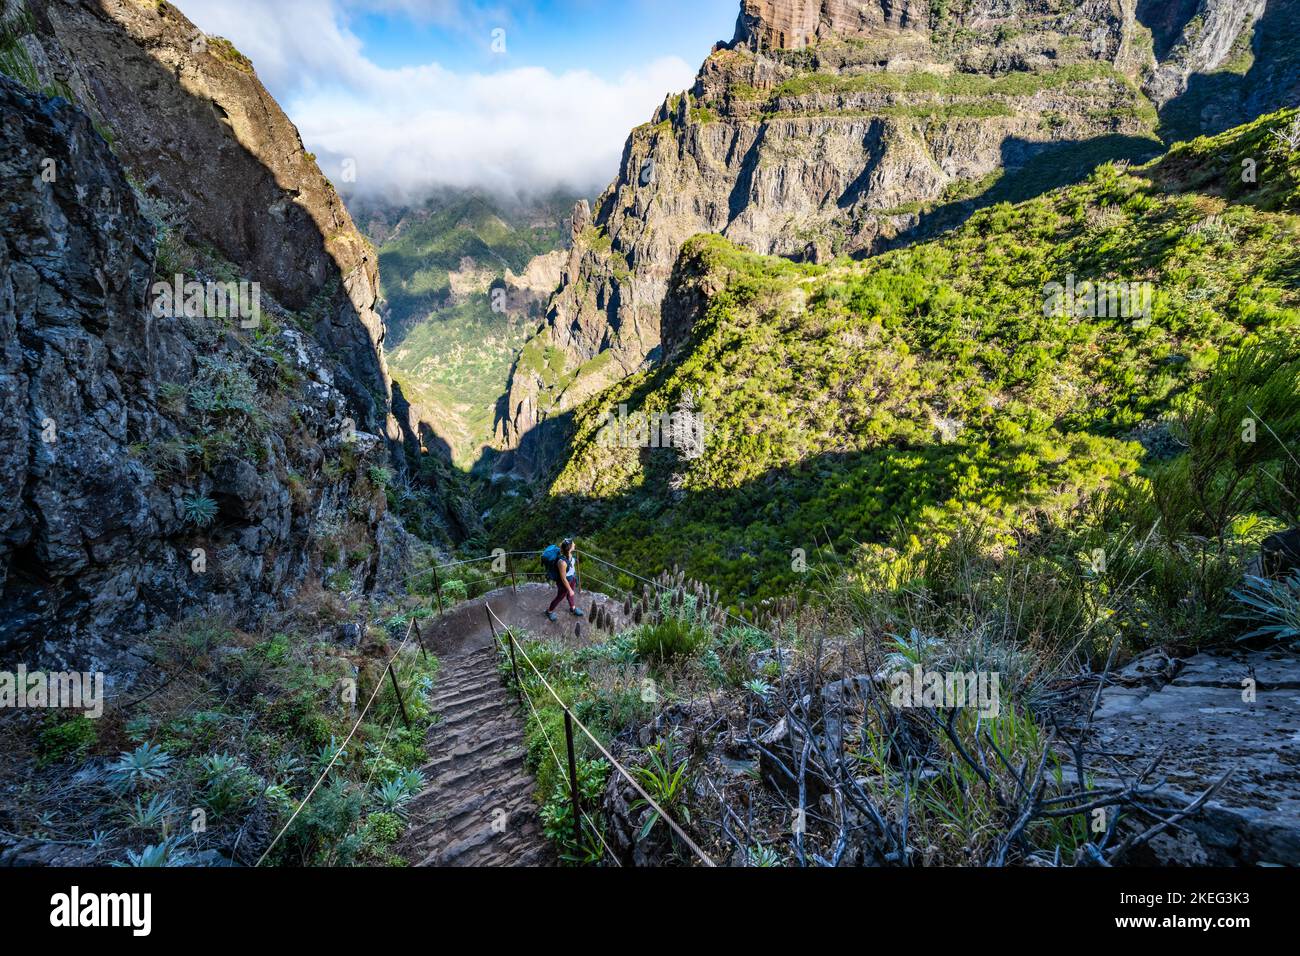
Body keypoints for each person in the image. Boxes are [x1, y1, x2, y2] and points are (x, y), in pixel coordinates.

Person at [545, 539, 584, 622]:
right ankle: (549, 611)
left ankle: (572, 608)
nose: (574, 544)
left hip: (572, 578)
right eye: (573, 544)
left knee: (570, 594)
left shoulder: (569, 555)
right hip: (564, 583)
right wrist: (569, 589)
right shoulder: (562, 562)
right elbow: (563, 578)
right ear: (569, 548)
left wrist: (572, 583)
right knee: (560, 597)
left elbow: (571, 568)